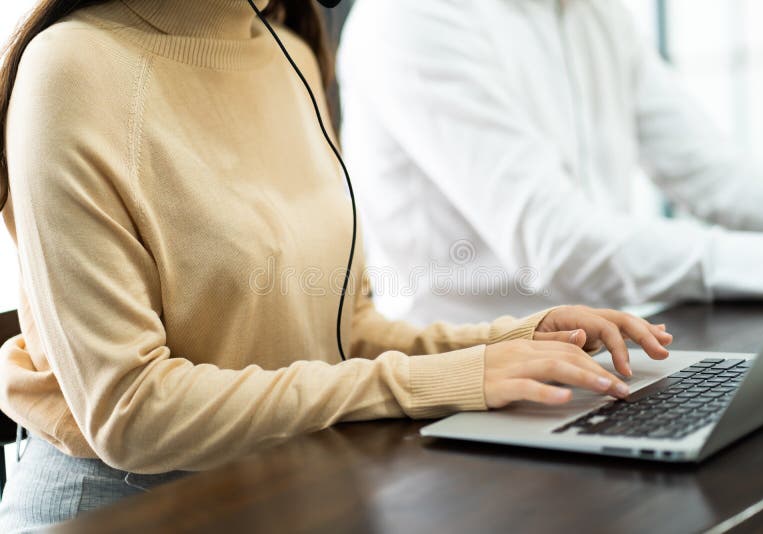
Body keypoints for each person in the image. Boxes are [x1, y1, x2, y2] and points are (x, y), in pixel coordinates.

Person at [0, 1, 673, 530]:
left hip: (288, 484)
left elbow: (342, 330)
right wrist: (443, 378)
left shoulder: (286, 47)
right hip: (128, 507)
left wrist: (510, 342)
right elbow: (131, 412)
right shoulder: (72, 68)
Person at [337, 0, 763, 326]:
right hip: (464, 388)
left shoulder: (597, 13)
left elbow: (712, 173)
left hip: (605, 355)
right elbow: (559, 244)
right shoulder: (412, 15)